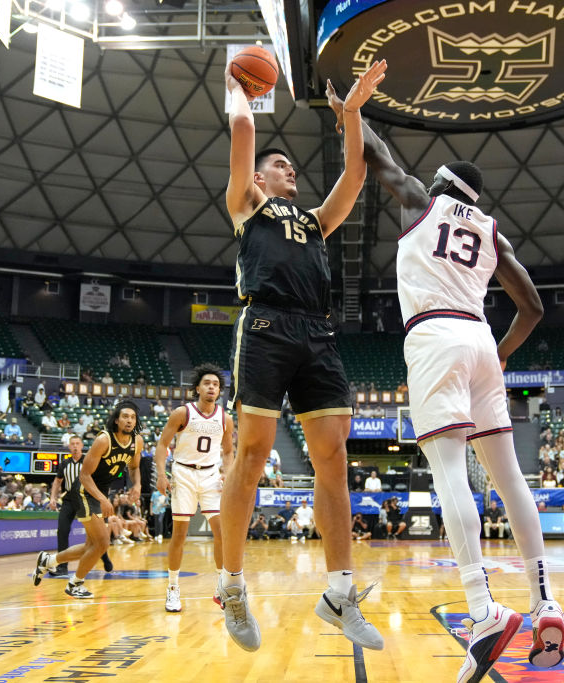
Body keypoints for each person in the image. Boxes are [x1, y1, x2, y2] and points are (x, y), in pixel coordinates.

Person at [327, 88, 564, 681]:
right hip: (482, 339)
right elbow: (532, 306)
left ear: (438, 188)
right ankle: (544, 601)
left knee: (450, 475)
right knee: (510, 480)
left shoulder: (417, 202)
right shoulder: (491, 233)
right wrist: (501, 356)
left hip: (435, 338)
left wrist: (348, 113)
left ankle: (483, 611)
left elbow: (376, 155)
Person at [217, 57, 387, 653]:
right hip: (264, 324)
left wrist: (352, 113)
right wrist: (237, 89)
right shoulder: (248, 206)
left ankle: (339, 593)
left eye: (291, 165)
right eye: (279, 165)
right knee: (255, 454)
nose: (289, 167)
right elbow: (243, 132)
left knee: (334, 456)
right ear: (259, 180)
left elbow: (357, 174)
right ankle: (231, 583)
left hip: (316, 332)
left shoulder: (314, 223)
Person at [33, 402, 143, 598]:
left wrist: (137, 485)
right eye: (125, 416)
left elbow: (134, 467)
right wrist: (103, 499)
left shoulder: (137, 441)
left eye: (133, 417)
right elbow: (84, 475)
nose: (129, 420)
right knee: (101, 544)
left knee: (90, 547)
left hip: (100, 492)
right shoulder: (104, 440)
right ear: (117, 420)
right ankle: (75, 584)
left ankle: (48, 561)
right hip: (84, 490)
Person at [154, 364, 234, 613]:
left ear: (219, 390)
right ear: (197, 388)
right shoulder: (182, 413)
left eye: (216, 384)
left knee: (221, 533)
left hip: (210, 475)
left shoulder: (225, 418)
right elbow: (162, 445)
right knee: (179, 534)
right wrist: (160, 474)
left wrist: (227, 474)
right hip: (183, 473)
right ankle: (173, 588)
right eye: (207, 383)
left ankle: (221, 588)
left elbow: (229, 451)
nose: (212, 387)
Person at [49, 436, 114, 577]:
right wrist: (53, 497)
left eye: (78, 443)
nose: (75, 446)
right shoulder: (65, 464)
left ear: (82, 445)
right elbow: (57, 481)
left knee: (95, 536)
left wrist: (102, 499)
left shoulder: (89, 461)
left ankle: (105, 557)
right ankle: (62, 567)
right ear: (69, 447)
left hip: (87, 499)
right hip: (69, 500)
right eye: (72, 444)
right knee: (62, 530)